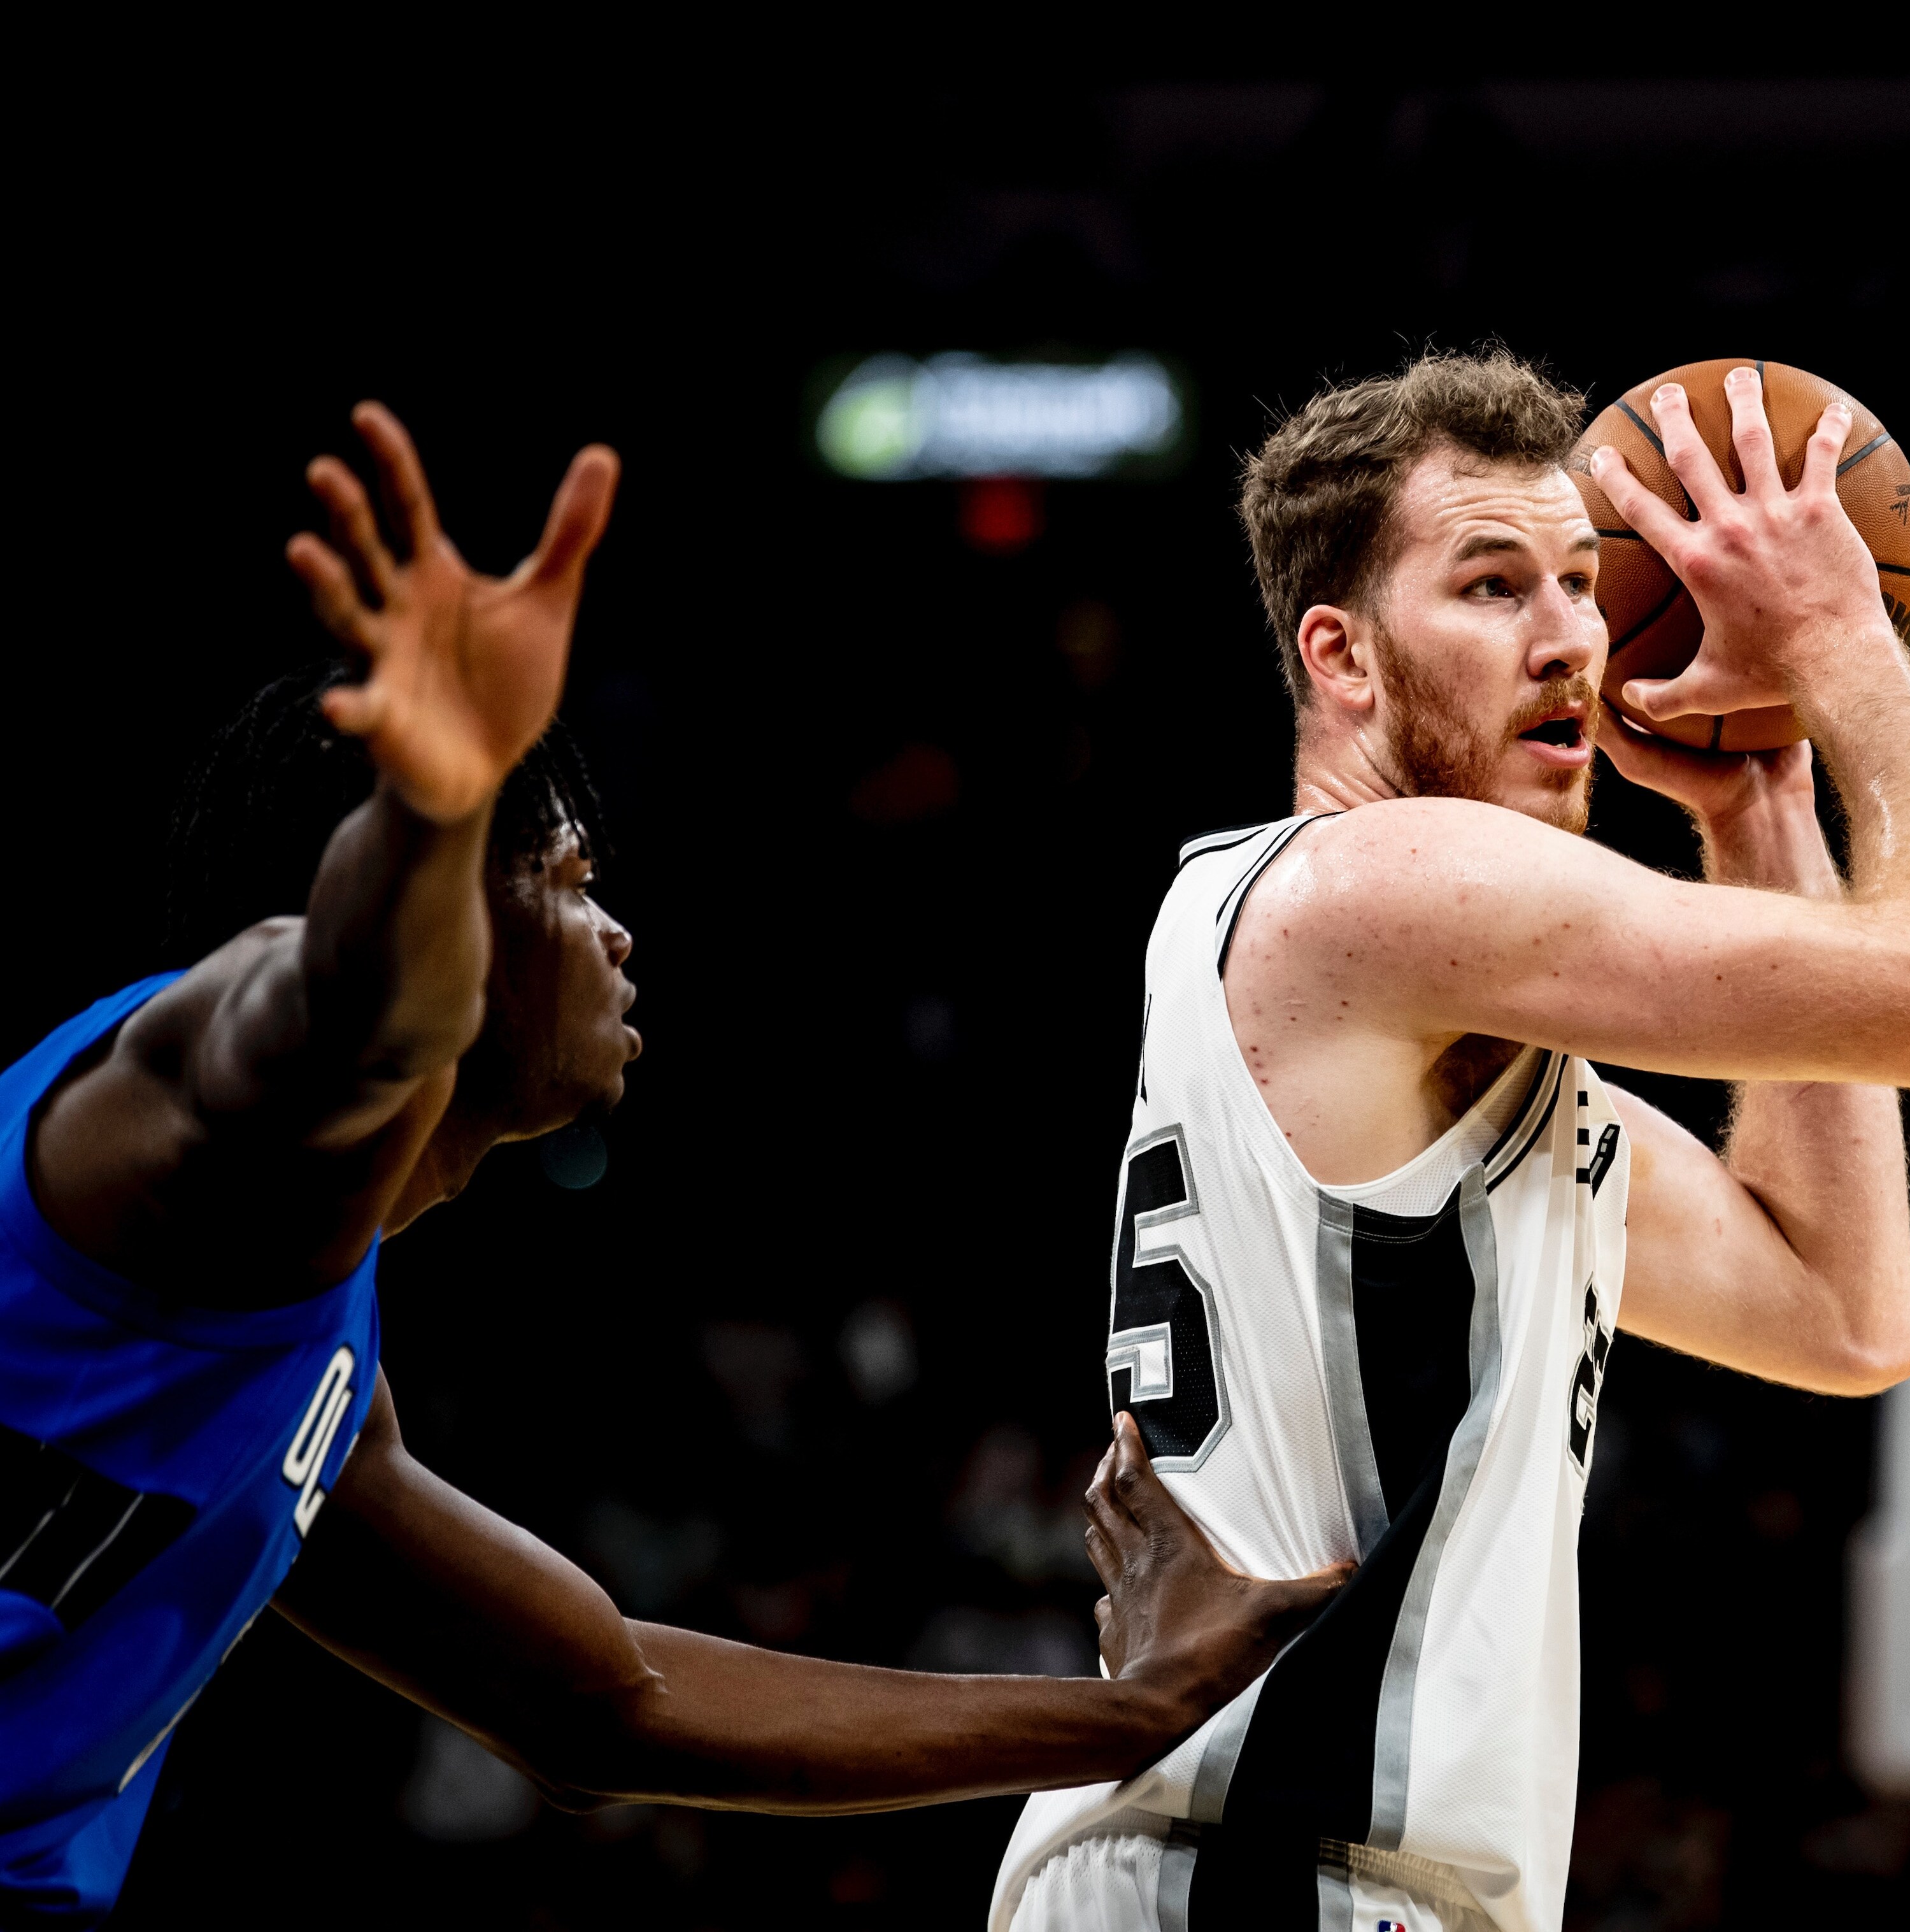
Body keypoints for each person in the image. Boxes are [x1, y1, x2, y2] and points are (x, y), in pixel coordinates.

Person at [0, 406, 1343, 1925]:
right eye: (569, 879)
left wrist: (1132, 1709)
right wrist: (437, 809)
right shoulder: (179, 1119)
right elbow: (347, 1009)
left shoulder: (309, 1364)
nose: (616, 932)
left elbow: (610, 1704)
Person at [992, 351, 1910, 1931]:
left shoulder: (1436, 1040)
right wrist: (1835, 632)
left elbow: (1845, 1314)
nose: (1571, 636)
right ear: (1339, 658)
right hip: (1261, 1870)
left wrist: (1757, 808)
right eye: (1493, 586)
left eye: (1582, 577)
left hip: (1309, 1878)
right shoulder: (1378, 884)